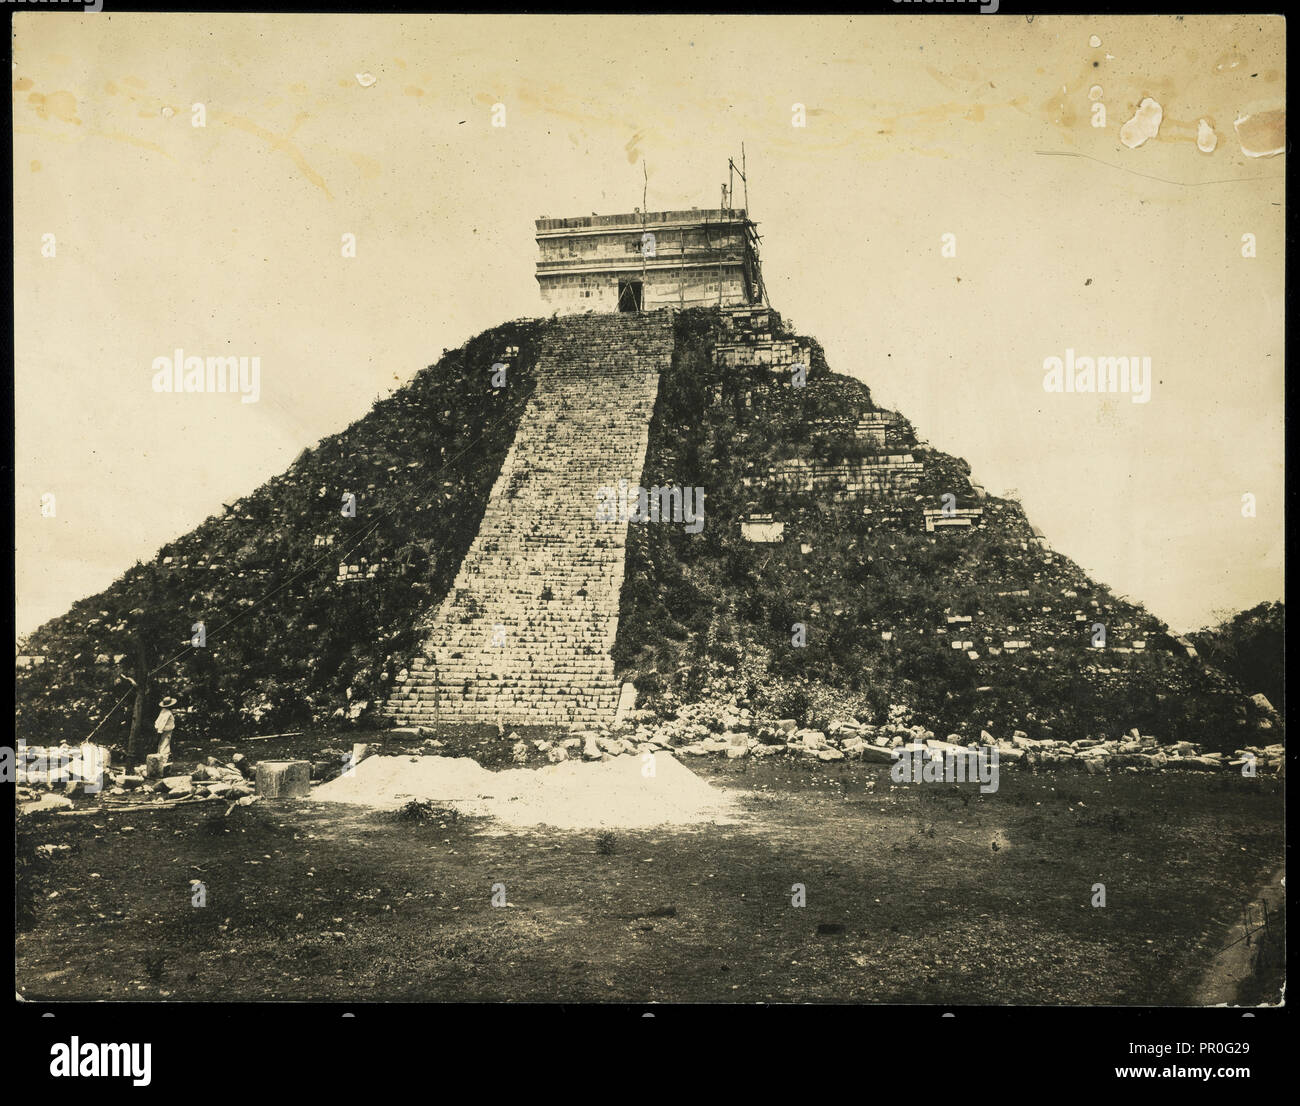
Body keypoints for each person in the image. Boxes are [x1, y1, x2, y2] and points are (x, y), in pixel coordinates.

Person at [155, 697, 177, 766]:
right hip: (165, 731)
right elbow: (162, 723)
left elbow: (158, 722)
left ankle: (159, 762)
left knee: (161, 746)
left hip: (163, 731)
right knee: (165, 746)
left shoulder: (163, 711)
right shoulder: (167, 713)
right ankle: (163, 763)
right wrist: (160, 731)